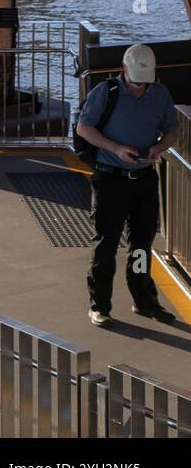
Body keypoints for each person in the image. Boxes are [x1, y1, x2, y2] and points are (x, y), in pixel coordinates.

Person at [75, 43, 179, 327]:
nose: (139, 87)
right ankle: (100, 306)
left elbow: (171, 130)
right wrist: (116, 148)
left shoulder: (159, 94)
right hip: (110, 178)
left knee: (142, 245)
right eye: (135, 82)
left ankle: (144, 301)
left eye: (144, 82)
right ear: (124, 70)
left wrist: (160, 148)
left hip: (144, 179)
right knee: (106, 244)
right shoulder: (104, 93)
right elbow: (84, 128)